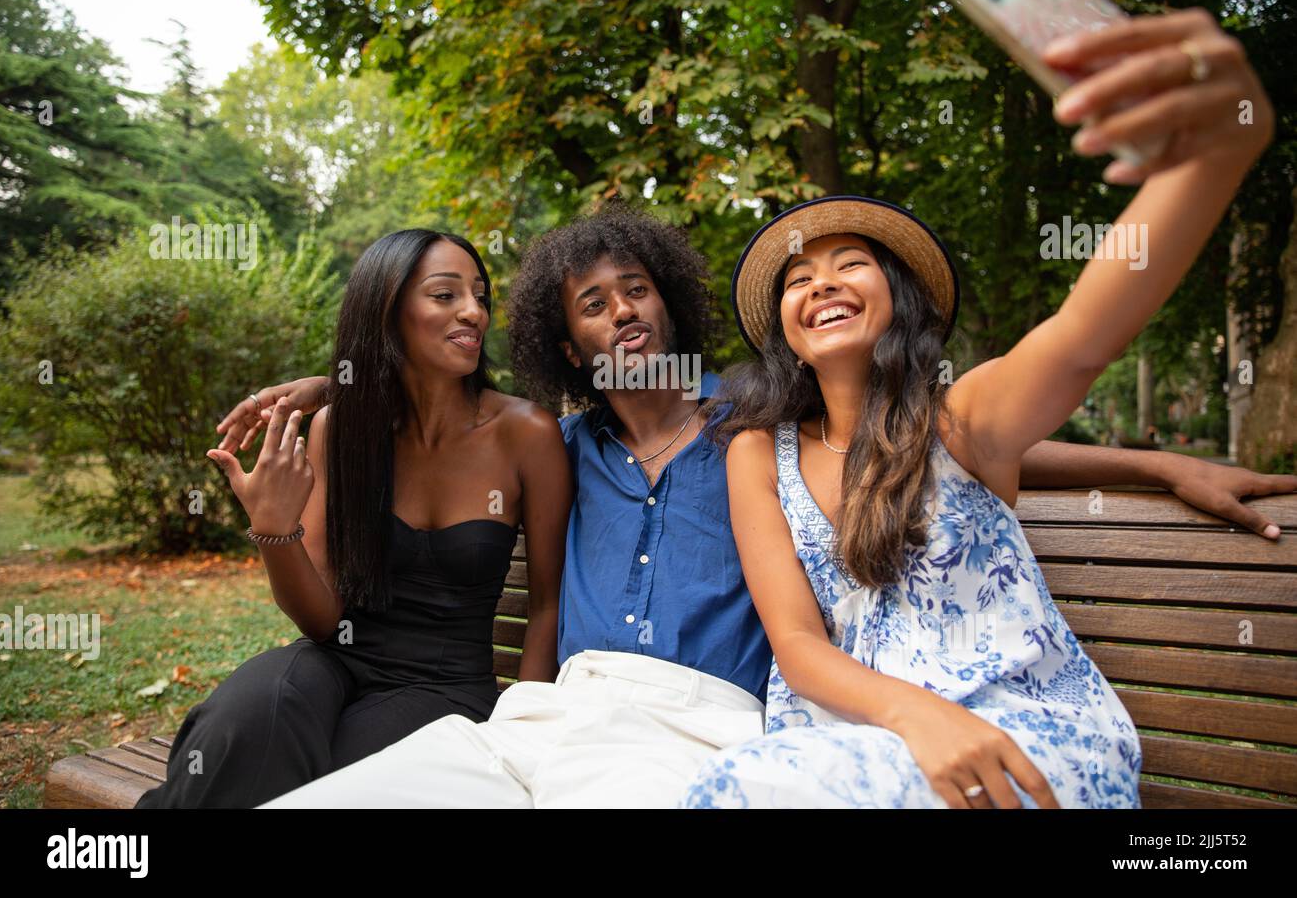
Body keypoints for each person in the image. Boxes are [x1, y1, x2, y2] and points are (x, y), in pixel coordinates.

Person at [227, 197, 1293, 808]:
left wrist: (1149, 466)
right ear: (567, 344)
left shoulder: (756, 420)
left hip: (707, 728)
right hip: (552, 717)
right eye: (592, 304)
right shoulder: (552, 445)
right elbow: (439, 400)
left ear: (671, 299)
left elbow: (932, 437)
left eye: (635, 288)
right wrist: (340, 379)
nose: (621, 313)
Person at [681, 8, 1279, 808]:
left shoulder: (964, 418)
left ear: (897, 299)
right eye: (798, 278)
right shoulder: (761, 453)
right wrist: (914, 717)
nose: (820, 281)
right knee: (737, 787)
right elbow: (794, 642)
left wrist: (1213, 152)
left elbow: (1079, 337)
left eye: (850, 263)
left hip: (1024, 737)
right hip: (859, 741)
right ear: (784, 331)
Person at [136, 229, 571, 807]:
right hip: (333, 661)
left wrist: (522, 736)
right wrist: (274, 529)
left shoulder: (525, 434)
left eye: (480, 295)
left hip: (443, 690)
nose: (474, 311)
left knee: (327, 781)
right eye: (445, 295)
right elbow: (321, 622)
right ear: (387, 311)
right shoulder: (340, 429)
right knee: (249, 717)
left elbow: (545, 605)